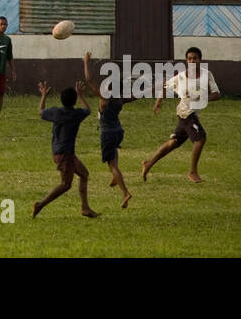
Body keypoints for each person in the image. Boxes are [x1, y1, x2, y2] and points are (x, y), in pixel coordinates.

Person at [141, 47, 220, 183]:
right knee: (200, 139)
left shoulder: (207, 74)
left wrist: (204, 98)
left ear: (200, 60)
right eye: (189, 59)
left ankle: (148, 163)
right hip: (186, 113)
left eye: (195, 58)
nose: (192, 61)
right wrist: (158, 101)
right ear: (186, 61)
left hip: (191, 114)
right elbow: (165, 85)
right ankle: (192, 172)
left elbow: (217, 94)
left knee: (173, 143)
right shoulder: (181, 77)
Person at [31, 81, 98, 219]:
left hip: (62, 152)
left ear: (61, 100)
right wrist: (81, 95)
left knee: (84, 174)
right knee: (65, 184)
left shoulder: (56, 112)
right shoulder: (76, 114)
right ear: (74, 101)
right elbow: (88, 110)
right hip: (65, 155)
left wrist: (43, 95)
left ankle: (85, 208)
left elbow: (40, 111)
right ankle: (40, 205)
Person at [80, 51, 131, 208]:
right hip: (118, 132)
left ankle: (125, 192)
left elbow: (89, 79)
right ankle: (115, 177)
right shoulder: (120, 99)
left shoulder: (104, 98)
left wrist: (86, 62)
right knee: (113, 151)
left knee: (112, 165)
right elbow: (137, 95)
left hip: (108, 133)